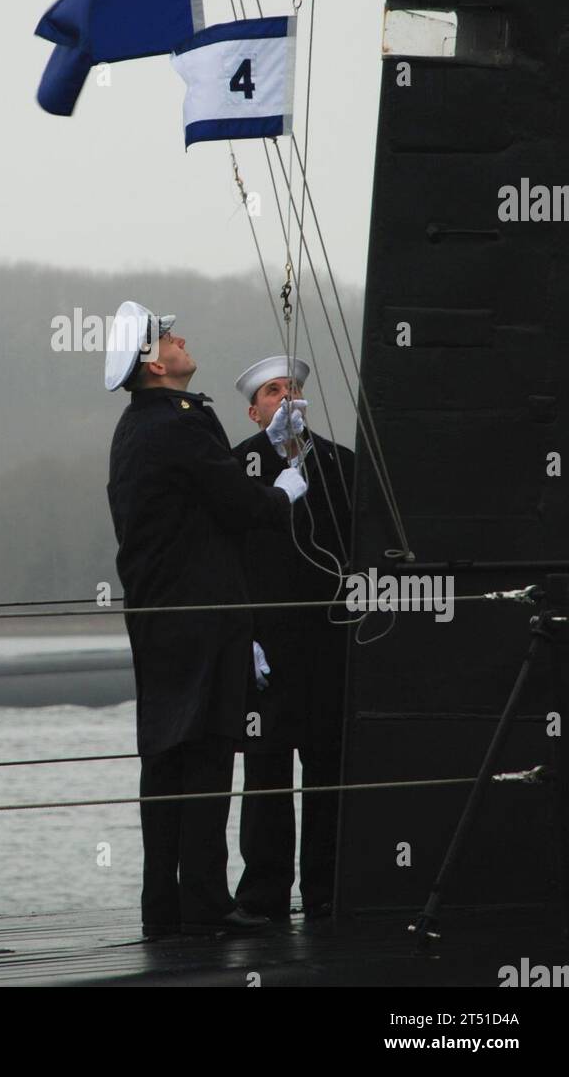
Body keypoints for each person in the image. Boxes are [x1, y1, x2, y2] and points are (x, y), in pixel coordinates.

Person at [105, 302, 308, 937]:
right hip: (204, 618)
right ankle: (205, 904)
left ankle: (162, 907)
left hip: (162, 616)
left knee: (166, 759)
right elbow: (233, 503)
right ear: (153, 362)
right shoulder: (185, 422)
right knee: (207, 756)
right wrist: (282, 491)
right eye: (171, 337)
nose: (183, 340)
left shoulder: (136, 427)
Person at [231, 355, 355, 922]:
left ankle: (329, 892)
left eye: (294, 389)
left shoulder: (343, 465)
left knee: (329, 770)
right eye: (273, 391)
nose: (286, 398)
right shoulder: (235, 468)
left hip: (329, 639)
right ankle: (264, 898)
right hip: (268, 644)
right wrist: (243, 634)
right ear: (255, 409)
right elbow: (226, 556)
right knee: (267, 773)